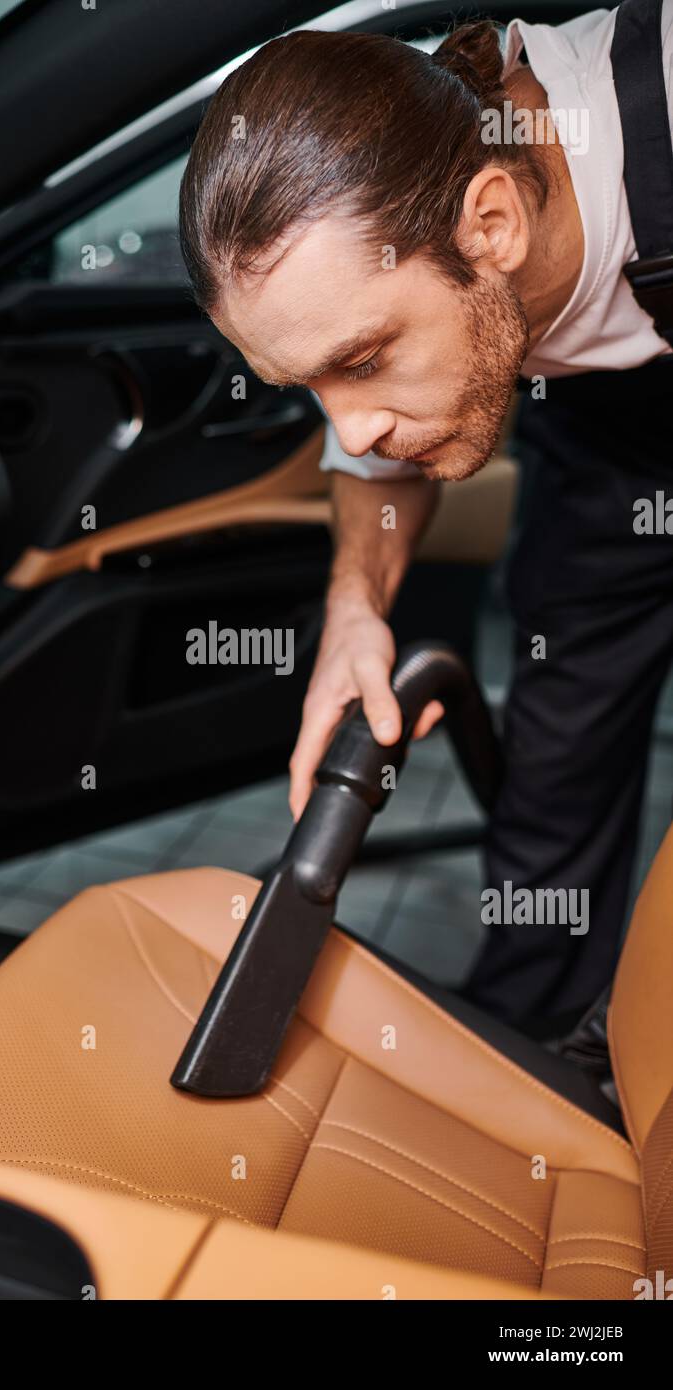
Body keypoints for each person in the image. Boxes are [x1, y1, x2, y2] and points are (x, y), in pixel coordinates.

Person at [178, 1, 673, 1041]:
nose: (351, 427)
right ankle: (527, 1053)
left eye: (361, 360)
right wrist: (355, 605)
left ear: (490, 224)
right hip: (609, 466)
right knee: (554, 775)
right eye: (305, 383)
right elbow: (369, 446)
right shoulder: (438, 264)